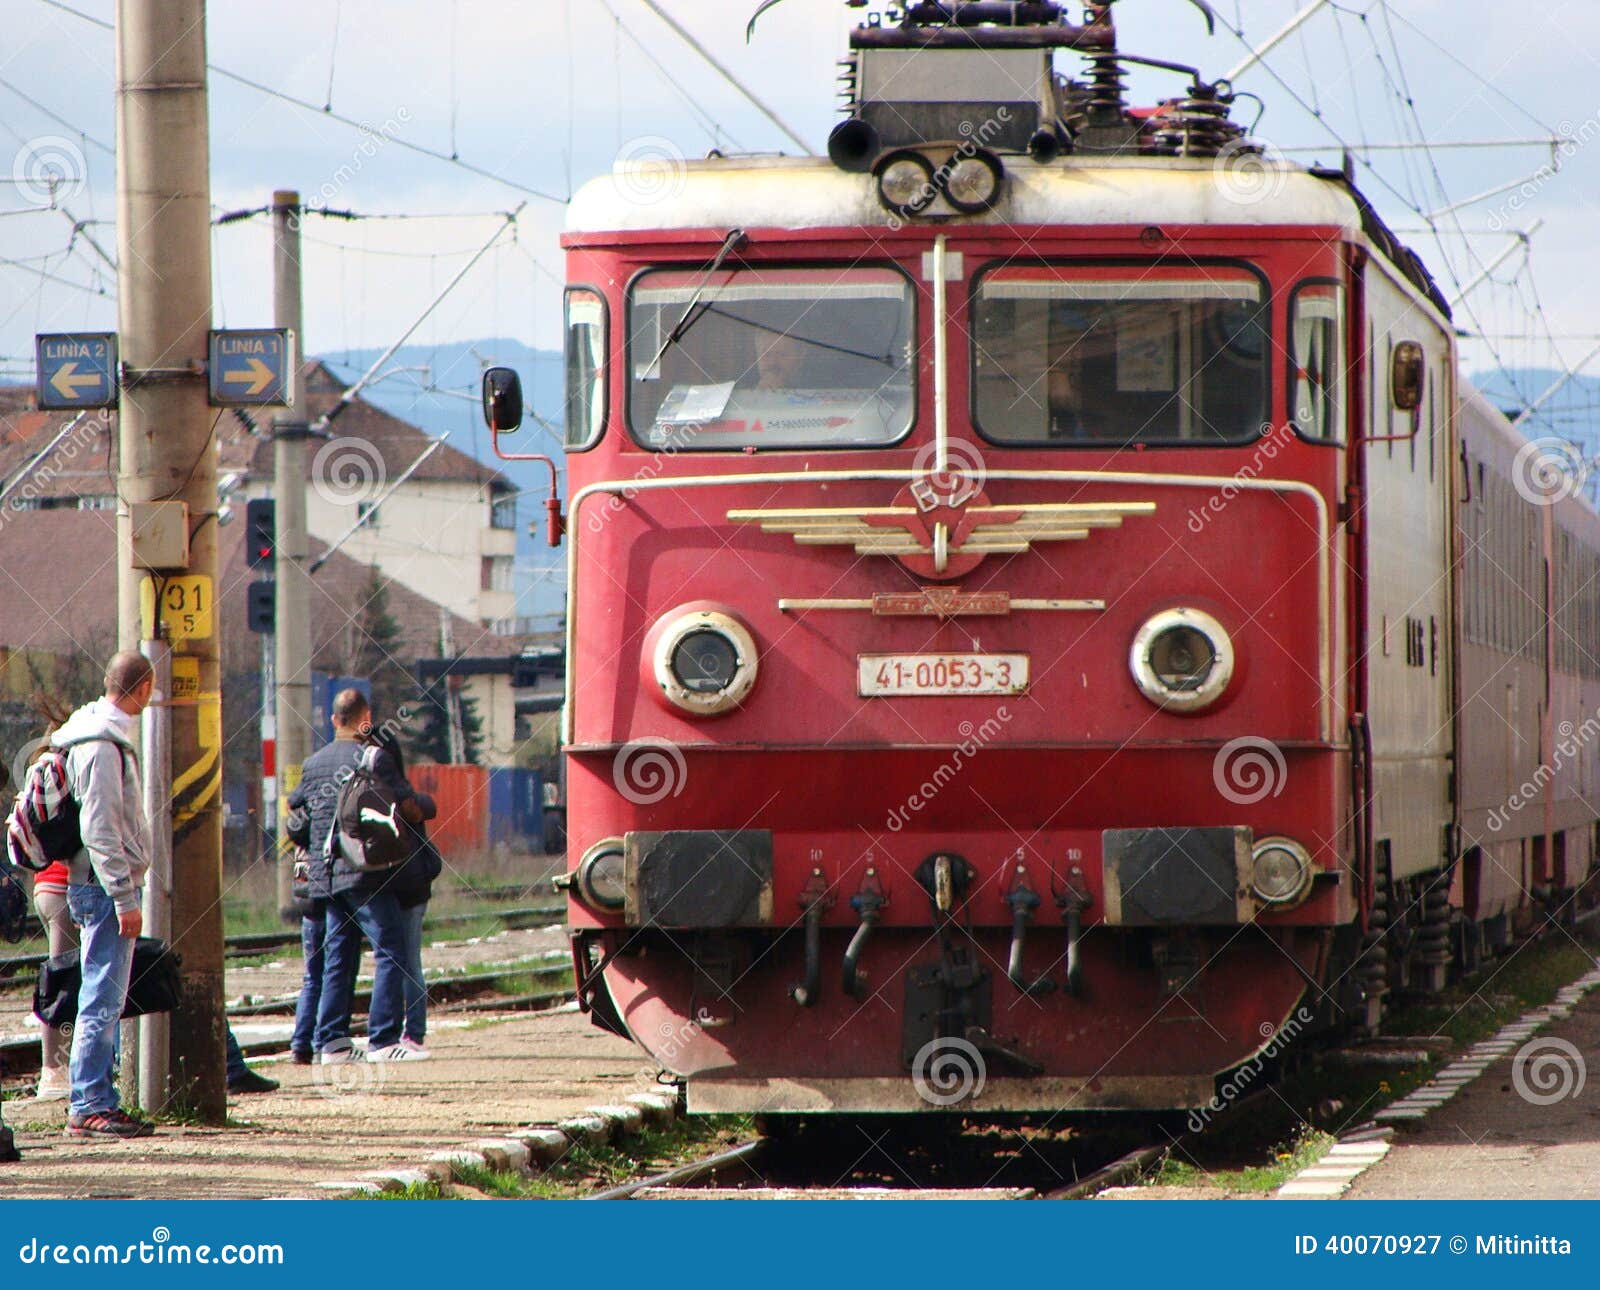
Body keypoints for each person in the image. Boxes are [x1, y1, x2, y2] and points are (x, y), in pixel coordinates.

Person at [289, 690, 426, 1064]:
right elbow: (406, 804)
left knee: (338, 958)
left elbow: (295, 807)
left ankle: (331, 1042)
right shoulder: (373, 757)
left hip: (324, 875)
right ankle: (382, 1040)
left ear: (334, 720)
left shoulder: (313, 763)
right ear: (365, 718)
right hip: (362, 871)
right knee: (391, 950)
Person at [55, 651, 155, 1139]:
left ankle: (98, 1098)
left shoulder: (95, 734)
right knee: (101, 996)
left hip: (96, 883)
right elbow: (100, 829)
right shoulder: (102, 744)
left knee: (104, 994)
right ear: (144, 688)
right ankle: (90, 1103)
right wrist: (123, 896)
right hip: (102, 886)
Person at [374, 728, 439, 1058]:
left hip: (407, 889)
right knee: (399, 961)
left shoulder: (399, 795)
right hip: (395, 888)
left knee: (406, 960)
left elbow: (419, 808)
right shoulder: (399, 793)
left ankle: (413, 1032)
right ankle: (404, 1032)